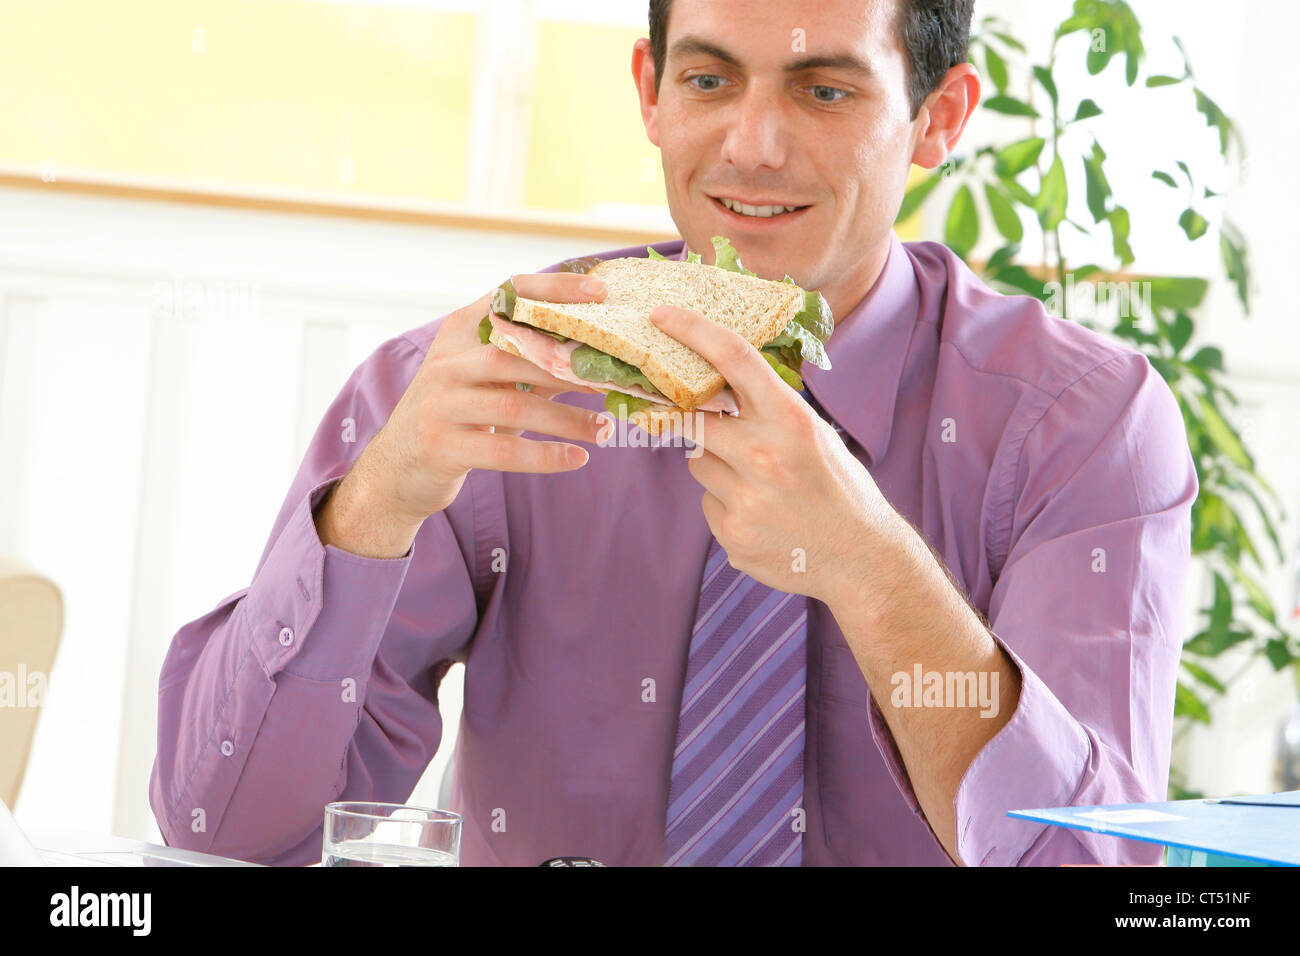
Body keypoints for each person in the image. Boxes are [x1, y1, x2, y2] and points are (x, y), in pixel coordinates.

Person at [149, 0, 1197, 866]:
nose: (752, 145)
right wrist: (374, 502)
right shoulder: (484, 377)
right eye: (707, 82)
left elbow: (1090, 868)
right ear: (649, 92)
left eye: (823, 89)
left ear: (938, 115)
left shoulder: (1082, 427)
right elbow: (223, 822)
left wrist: (875, 573)